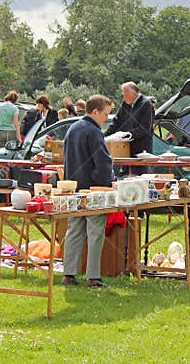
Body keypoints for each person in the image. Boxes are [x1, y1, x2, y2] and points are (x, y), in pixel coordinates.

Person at [62, 94, 115, 288]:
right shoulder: (93, 131)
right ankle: (93, 276)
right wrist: (108, 184)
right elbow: (102, 162)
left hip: (74, 187)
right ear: (95, 112)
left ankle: (69, 273)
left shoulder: (73, 128)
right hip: (93, 189)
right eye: (105, 115)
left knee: (74, 231)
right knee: (95, 232)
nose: (106, 119)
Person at [105, 82, 154, 174]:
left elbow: (145, 128)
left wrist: (128, 135)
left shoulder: (146, 104)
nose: (123, 97)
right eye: (123, 94)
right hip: (126, 150)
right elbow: (116, 122)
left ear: (134, 94)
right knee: (125, 176)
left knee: (140, 178)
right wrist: (104, 136)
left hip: (141, 151)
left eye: (125, 94)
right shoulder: (125, 104)